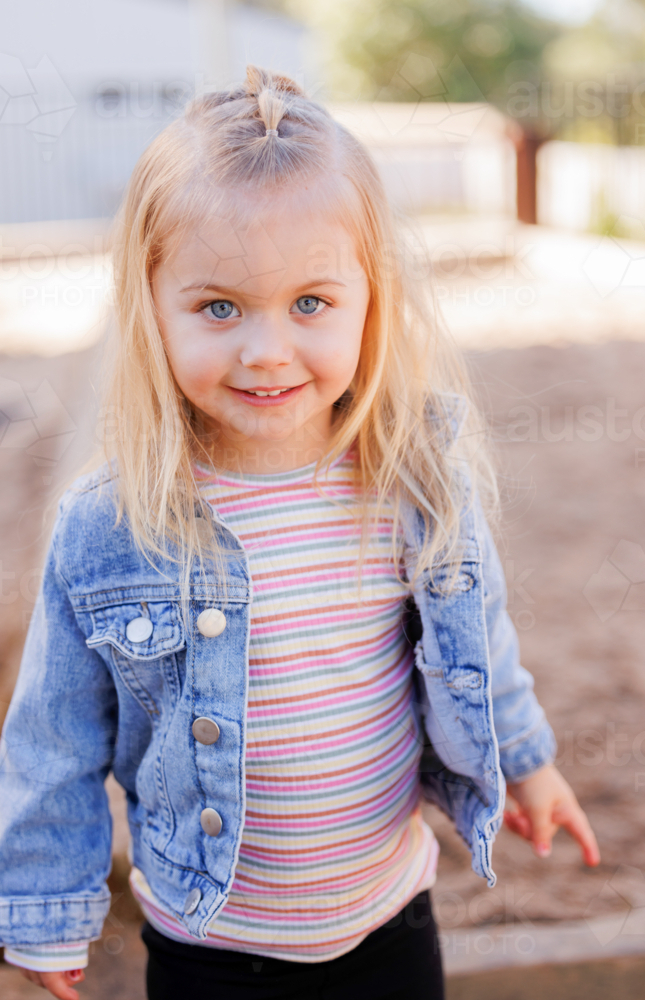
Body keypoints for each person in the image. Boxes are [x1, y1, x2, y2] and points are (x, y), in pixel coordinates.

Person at [0, 66, 599, 1000]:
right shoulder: (112, 522)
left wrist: (526, 760)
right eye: (219, 307)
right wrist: (44, 907)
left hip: (389, 917)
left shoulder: (414, 480)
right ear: (151, 309)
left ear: (372, 299)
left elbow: (479, 639)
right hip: (211, 944)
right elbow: (53, 738)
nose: (266, 349)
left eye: (310, 304)